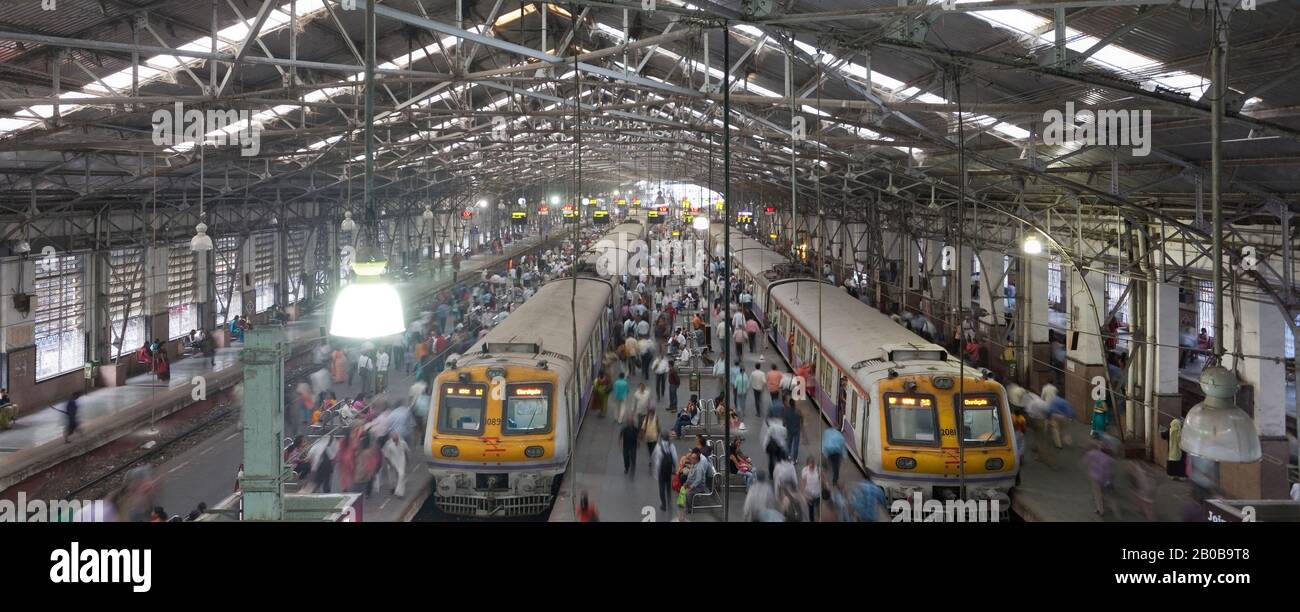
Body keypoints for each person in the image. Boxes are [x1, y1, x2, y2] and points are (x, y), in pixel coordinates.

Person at [1083, 440, 1115, 517]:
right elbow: (1109, 472)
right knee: (1102, 493)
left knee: (1097, 494)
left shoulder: (1092, 453)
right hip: (1104, 479)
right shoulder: (1108, 459)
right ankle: (1102, 507)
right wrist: (1109, 481)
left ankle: (1100, 510)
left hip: (1095, 477)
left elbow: (1085, 461)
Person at [652, 432, 679, 512]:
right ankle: (669, 502)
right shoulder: (671, 445)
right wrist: (675, 468)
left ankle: (663, 505)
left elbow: (657, 461)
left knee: (661, 488)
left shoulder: (658, 446)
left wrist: (656, 473)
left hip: (661, 471)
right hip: (668, 470)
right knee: (668, 486)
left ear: (661, 438)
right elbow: (675, 458)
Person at [382, 431, 408, 497]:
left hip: (401, 462)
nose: (395, 441)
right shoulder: (388, 445)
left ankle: (399, 492)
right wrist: (390, 464)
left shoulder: (403, 443)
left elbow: (406, 452)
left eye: (396, 439)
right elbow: (386, 456)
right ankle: (392, 488)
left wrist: (407, 460)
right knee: (392, 477)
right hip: (391, 462)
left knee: (401, 475)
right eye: (394, 440)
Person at [762, 416, 788, 482]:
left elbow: (767, 438)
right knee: (780, 461)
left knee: (771, 461)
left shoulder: (771, 428)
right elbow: (785, 438)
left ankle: (771, 475)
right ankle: (780, 474)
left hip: (772, 447)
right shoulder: (784, 429)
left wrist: (765, 447)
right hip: (780, 447)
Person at [783, 391, 803, 462]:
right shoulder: (798, 411)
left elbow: (784, 423)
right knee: (796, 445)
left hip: (789, 430)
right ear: (794, 404)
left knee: (789, 443)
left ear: (789, 404)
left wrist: (785, 425)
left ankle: (788, 456)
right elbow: (801, 419)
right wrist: (801, 425)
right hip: (797, 430)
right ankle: (794, 459)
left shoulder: (786, 411)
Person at [620, 413, 640, 477]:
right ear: (627, 422)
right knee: (626, 458)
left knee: (633, 458)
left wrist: (638, 442)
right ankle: (626, 467)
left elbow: (638, 436)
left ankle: (633, 469)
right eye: (629, 421)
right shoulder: (624, 428)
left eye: (632, 421)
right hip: (625, 446)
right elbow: (621, 436)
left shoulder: (635, 428)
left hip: (633, 446)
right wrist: (620, 442)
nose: (631, 423)